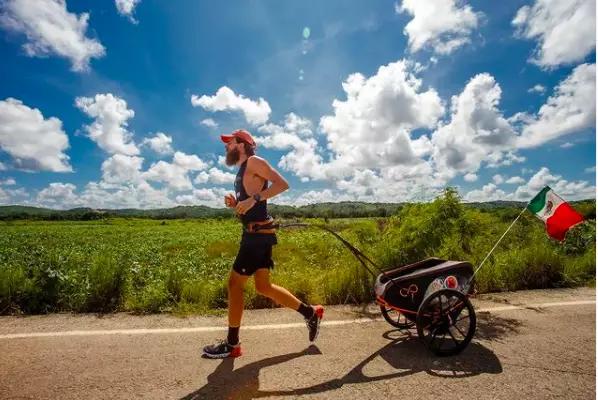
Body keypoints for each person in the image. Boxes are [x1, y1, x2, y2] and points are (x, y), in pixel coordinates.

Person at [203, 129, 324, 359]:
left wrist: (253, 199)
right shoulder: (241, 171)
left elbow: (282, 184)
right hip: (256, 234)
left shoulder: (254, 162)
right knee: (263, 287)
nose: (225, 146)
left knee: (234, 285)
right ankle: (310, 313)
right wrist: (237, 204)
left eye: (229, 142)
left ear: (241, 144)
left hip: (256, 236)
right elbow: (250, 204)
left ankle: (232, 344)